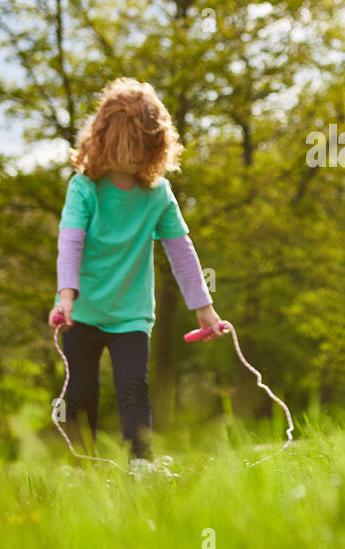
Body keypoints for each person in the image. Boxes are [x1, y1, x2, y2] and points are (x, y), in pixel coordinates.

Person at [48, 78, 225, 473]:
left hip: (131, 313)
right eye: (123, 150)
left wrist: (205, 308)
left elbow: (181, 251)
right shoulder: (84, 189)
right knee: (80, 392)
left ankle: (141, 468)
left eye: (140, 151)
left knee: (133, 389)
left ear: (155, 147)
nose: (130, 160)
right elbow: (70, 242)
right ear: (103, 142)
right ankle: (82, 469)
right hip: (83, 310)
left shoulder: (158, 194)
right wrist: (66, 295)